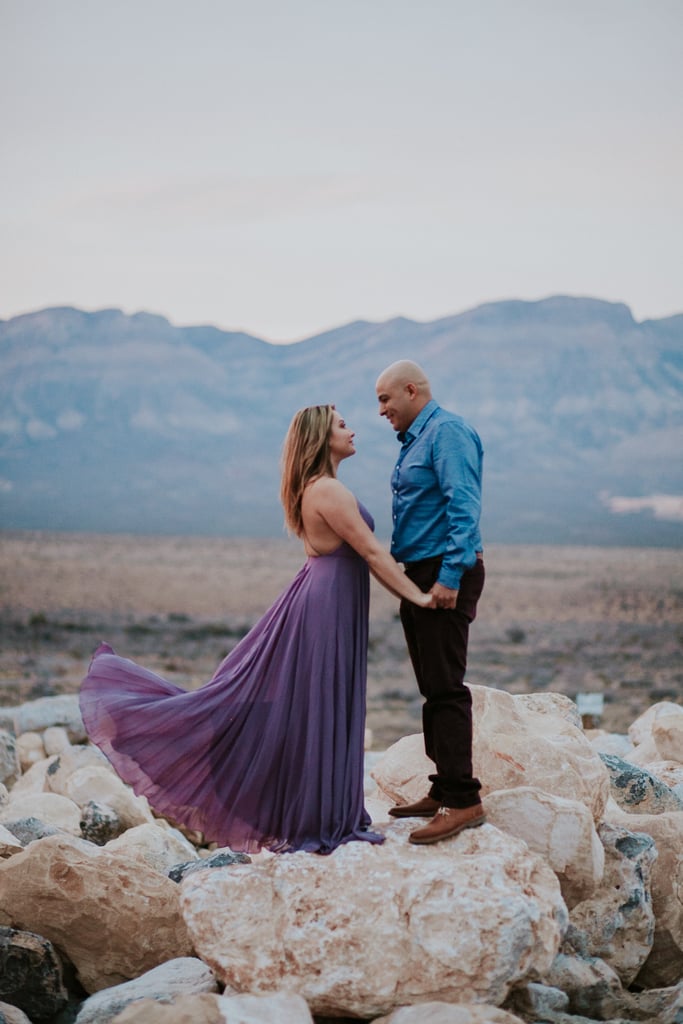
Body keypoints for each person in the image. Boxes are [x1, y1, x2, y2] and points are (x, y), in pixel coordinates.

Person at [79, 404, 433, 855]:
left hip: (325, 597)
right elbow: (374, 555)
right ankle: (319, 817)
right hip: (326, 605)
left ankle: (321, 811)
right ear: (321, 438)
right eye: (342, 424)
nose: (352, 429)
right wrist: (419, 598)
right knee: (319, 702)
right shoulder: (327, 491)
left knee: (315, 704)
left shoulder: (318, 487)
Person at [375, 360, 486, 844]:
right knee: (431, 686)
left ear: (411, 390)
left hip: (445, 570)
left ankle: (464, 801)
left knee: (446, 688)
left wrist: (449, 577)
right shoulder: (416, 441)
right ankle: (441, 787)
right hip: (418, 572)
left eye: (385, 399)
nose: (381, 410)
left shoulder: (447, 432)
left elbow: (464, 504)